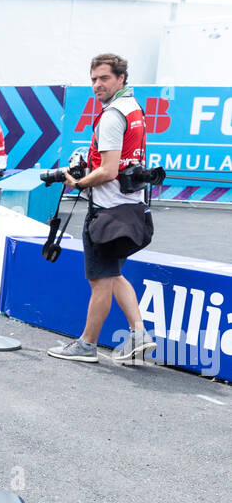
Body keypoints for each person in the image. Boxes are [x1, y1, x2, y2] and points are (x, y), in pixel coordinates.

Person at [48, 52, 157, 366]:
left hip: (108, 212)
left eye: (104, 78)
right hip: (130, 209)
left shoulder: (112, 115)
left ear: (121, 78)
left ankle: (87, 345)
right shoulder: (133, 108)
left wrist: (78, 182)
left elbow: (108, 170)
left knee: (100, 280)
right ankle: (139, 334)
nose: (97, 85)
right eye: (94, 79)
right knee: (112, 274)